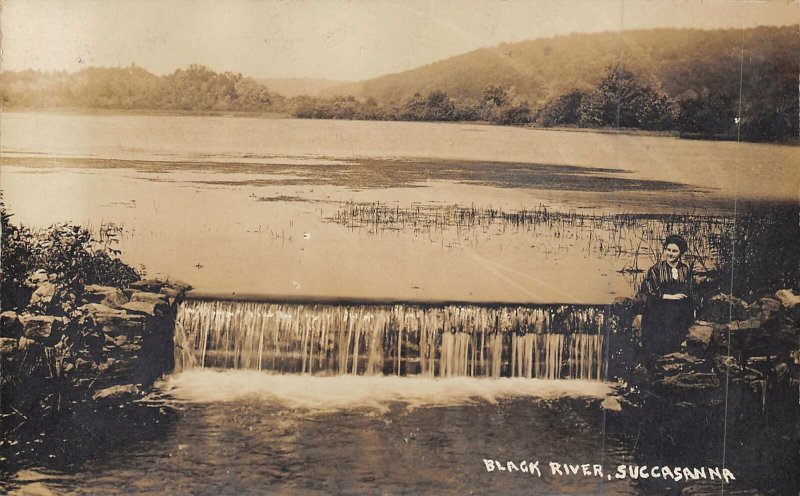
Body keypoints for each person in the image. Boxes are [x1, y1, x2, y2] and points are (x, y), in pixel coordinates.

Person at [636, 234, 694, 359]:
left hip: (679, 308)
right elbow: (651, 291)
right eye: (668, 250)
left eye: (674, 251)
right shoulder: (656, 269)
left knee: (682, 315)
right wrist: (670, 297)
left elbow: (688, 291)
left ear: (680, 253)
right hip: (659, 307)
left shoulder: (685, 270)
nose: (670, 254)